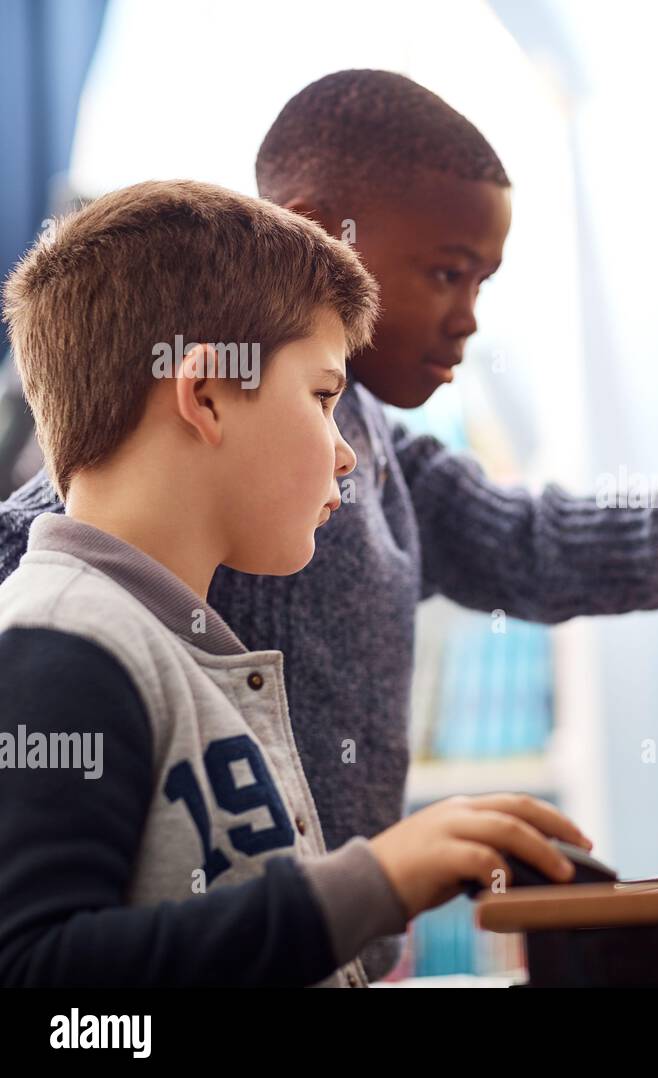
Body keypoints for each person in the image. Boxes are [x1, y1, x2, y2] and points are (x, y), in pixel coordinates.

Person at [0, 70, 658, 978]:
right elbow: (69, 537)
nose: (468, 320)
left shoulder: (373, 452)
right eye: (450, 274)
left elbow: (530, 541)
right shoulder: (120, 558)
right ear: (323, 234)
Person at [0, 180, 591, 986]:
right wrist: (367, 885)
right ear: (204, 394)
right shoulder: (63, 647)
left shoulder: (178, 650)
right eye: (322, 398)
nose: (345, 454)